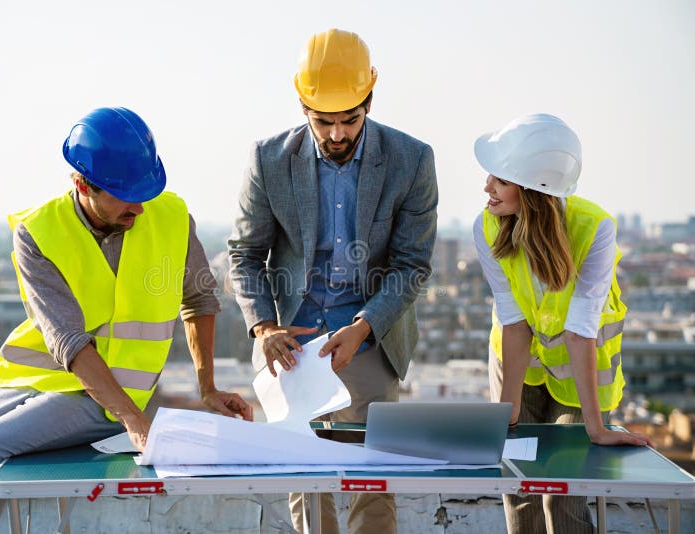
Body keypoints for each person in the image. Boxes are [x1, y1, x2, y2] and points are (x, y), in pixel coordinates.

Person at [0, 107, 253, 534]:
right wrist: (135, 423)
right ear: (83, 184)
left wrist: (206, 388)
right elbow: (69, 340)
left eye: (144, 191)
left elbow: (198, 300)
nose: (140, 207)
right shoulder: (38, 232)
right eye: (125, 194)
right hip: (34, 377)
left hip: (107, 396)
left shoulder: (173, 218)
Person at [228, 29, 437, 534]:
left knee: (373, 485)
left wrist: (363, 327)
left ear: (370, 100)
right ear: (302, 105)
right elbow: (244, 254)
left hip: (370, 337)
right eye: (323, 121)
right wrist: (264, 328)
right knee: (307, 487)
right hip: (290, 346)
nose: (337, 134)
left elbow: (411, 265)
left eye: (350, 119)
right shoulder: (268, 159)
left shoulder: (411, 159)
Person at [473, 113, 652, 533]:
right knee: (519, 489)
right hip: (517, 363)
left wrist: (596, 429)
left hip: (580, 371)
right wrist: (508, 414)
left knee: (564, 494)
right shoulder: (487, 226)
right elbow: (514, 323)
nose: (487, 187)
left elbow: (580, 329)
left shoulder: (594, 229)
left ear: (533, 191)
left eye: (501, 180)